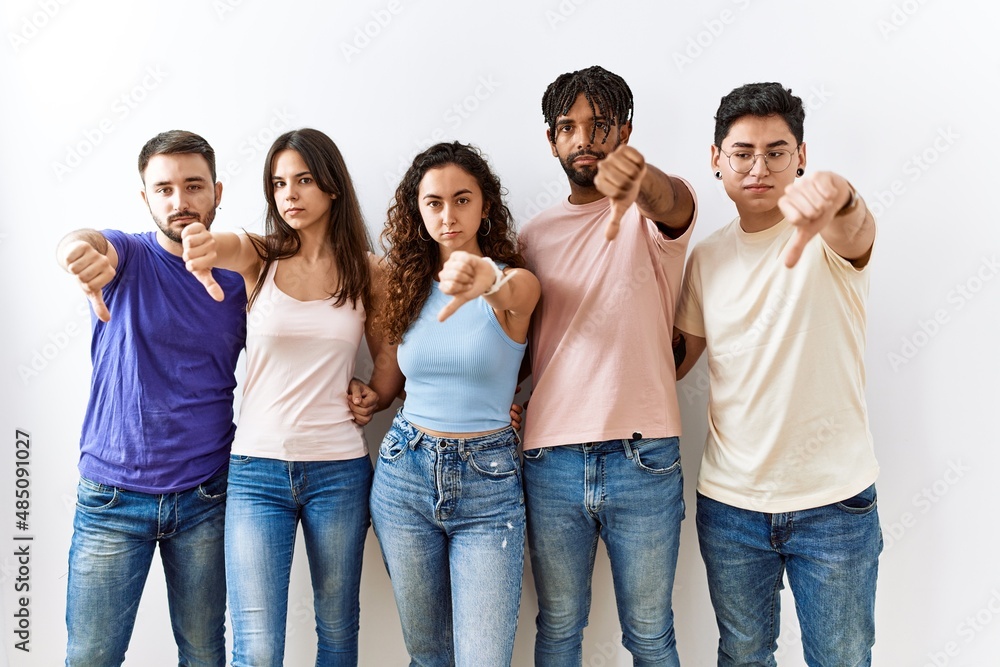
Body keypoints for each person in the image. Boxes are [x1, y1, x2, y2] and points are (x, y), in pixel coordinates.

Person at [674, 82, 881, 666]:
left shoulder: (828, 237)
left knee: (841, 658)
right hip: (731, 504)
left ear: (803, 157)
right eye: (743, 153)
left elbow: (855, 224)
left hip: (834, 504)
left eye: (777, 151)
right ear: (717, 160)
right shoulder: (708, 257)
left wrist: (839, 195)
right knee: (742, 657)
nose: (759, 167)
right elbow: (672, 361)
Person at [517, 65, 697, 667]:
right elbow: (519, 346)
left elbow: (672, 201)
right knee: (559, 629)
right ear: (551, 140)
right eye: (568, 127)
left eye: (598, 126)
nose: (584, 139)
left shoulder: (652, 217)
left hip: (643, 458)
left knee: (649, 635)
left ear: (625, 131)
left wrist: (640, 179)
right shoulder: (531, 237)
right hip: (549, 460)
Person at [181, 128, 377, 666]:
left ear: (332, 187)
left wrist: (376, 394)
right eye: (278, 183)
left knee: (337, 632)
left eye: (304, 180)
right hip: (256, 471)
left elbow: (390, 360)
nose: (289, 194)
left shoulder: (367, 269)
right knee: (258, 646)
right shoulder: (257, 256)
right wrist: (202, 243)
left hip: (339, 470)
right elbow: (223, 245)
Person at [57, 130, 246, 667]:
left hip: (206, 496)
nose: (179, 202)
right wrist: (74, 251)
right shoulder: (128, 256)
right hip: (112, 496)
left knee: (206, 654)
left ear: (218, 192)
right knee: (91, 656)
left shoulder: (240, 276)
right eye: (163, 189)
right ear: (145, 198)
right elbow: (86, 242)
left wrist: (361, 385)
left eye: (193, 186)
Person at [364, 141, 540, 667]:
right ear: (417, 212)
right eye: (433, 203)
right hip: (404, 475)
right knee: (429, 656)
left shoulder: (516, 279)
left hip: (488, 484)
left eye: (462, 200)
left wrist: (484, 278)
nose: (448, 215)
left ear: (485, 206)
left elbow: (515, 293)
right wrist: (364, 395)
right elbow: (390, 381)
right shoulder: (405, 286)